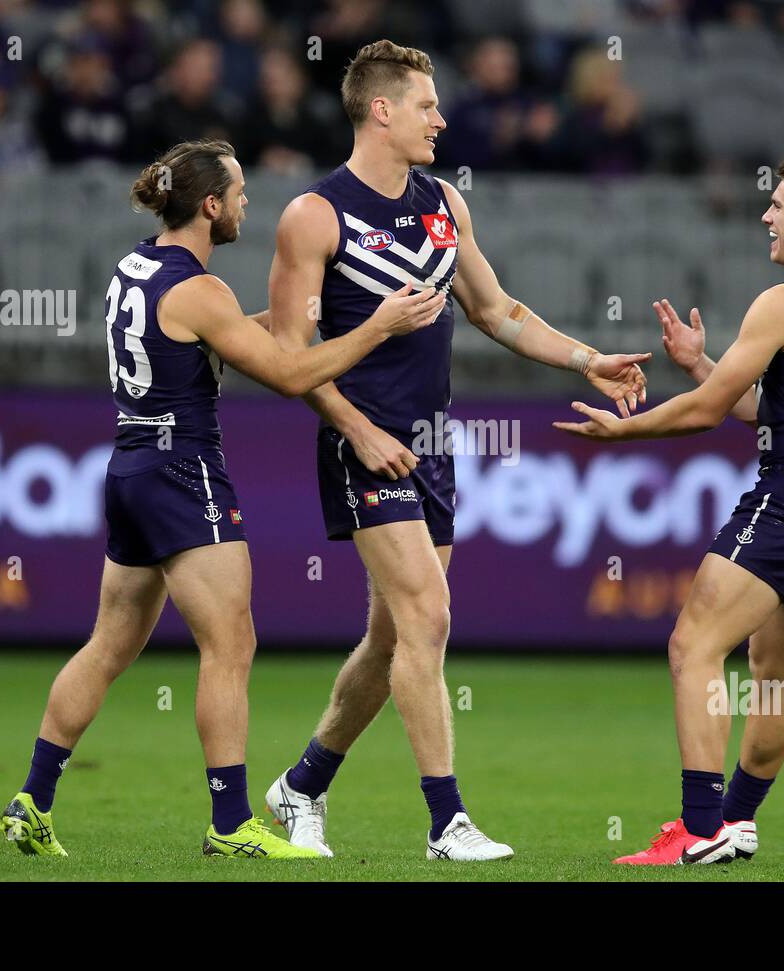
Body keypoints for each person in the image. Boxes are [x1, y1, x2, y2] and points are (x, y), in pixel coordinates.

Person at [0, 138, 444, 860]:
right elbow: (293, 376)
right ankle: (232, 820)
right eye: (237, 193)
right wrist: (376, 325)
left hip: (131, 466)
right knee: (230, 644)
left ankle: (31, 799)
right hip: (185, 473)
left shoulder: (136, 265)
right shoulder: (202, 290)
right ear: (209, 205)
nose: (245, 204)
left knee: (109, 643)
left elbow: (224, 338)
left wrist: (300, 313)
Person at [264, 40, 650, 861]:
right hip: (363, 444)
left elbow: (497, 309)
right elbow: (287, 359)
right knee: (429, 617)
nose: (441, 118)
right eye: (427, 105)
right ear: (381, 110)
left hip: (432, 446)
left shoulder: (444, 202)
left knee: (392, 639)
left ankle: (301, 786)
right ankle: (448, 822)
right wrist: (355, 428)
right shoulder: (315, 216)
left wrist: (588, 357)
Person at [556, 156, 784, 865]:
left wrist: (625, 430)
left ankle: (700, 826)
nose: (767, 216)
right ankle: (737, 820)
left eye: (778, 205)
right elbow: (767, 410)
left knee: (693, 644)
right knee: (774, 662)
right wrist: (703, 365)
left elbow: (708, 416)